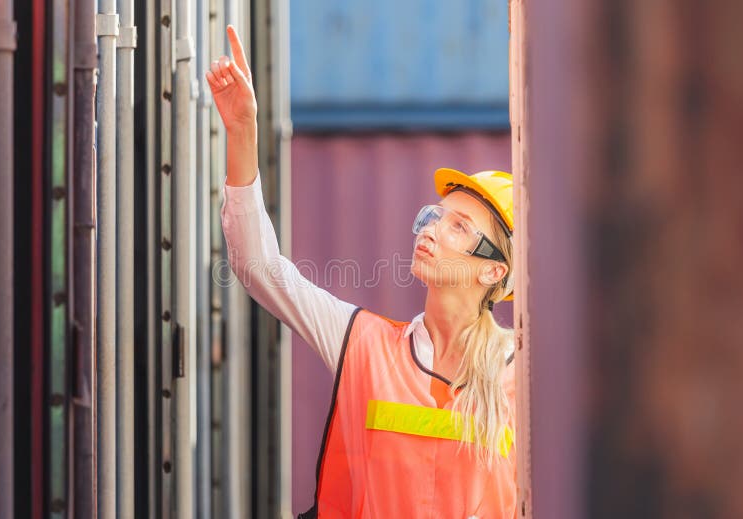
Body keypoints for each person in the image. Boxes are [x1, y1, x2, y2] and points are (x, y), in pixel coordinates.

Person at [207, 25, 517, 519]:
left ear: (492, 272)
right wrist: (243, 130)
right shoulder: (363, 344)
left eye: (457, 227)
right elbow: (257, 265)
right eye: (434, 216)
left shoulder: (521, 377)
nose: (430, 230)